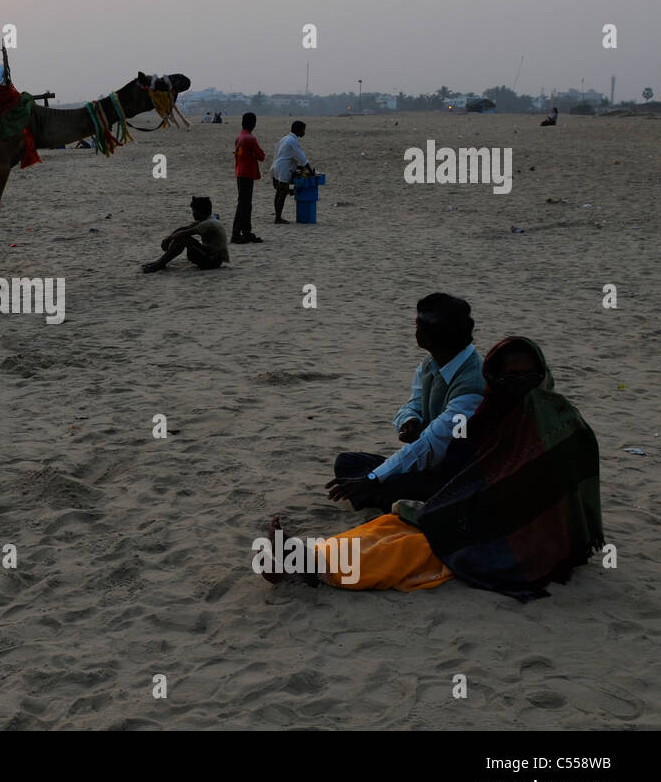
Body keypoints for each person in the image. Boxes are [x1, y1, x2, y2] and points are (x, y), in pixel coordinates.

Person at [262, 337, 602, 599]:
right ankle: (309, 553)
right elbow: (467, 469)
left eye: (529, 375)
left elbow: (567, 497)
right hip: (475, 509)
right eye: (510, 375)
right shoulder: (491, 413)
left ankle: (316, 568)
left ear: (543, 375)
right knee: (391, 523)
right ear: (495, 378)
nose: (520, 382)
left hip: (527, 536)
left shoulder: (564, 423)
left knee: (419, 548)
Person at [325, 293, 485, 512]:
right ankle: (384, 501)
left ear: (435, 335)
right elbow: (413, 404)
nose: (415, 330)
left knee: (389, 483)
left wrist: (373, 478)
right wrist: (410, 419)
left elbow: (431, 445)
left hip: (456, 476)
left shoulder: (472, 386)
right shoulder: (432, 364)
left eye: (418, 324)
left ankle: (391, 504)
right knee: (347, 463)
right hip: (429, 467)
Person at [142, 196, 229, 272]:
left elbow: (185, 232)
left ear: (199, 212)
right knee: (181, 237)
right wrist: (169, 237)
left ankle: (160, 264)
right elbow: (183, 228)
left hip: (213, 260)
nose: (193, 214)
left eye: (194, 211)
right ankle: (160, 262)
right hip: (210, 255)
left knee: (183, 239)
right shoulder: (207, 219)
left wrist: (168, 240)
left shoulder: (208, 224)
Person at [231, 112, 267, 244]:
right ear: (253, 123)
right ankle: (236, 233)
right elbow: (261, 156)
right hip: (247, 173)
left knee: (245, 204)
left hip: (240, 172)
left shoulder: (239, 137)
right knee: (244, 204)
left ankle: (245, 232)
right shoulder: (250, 138)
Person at [269, 120, 313, 224]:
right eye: (303, 130)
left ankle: (277, 216)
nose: (304, 132)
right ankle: (278, 218)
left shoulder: (284, 139)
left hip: (276, 167)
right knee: (282, 193)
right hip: (283, 169)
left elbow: (285, 156)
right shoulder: (293, 141)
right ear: (298, 130)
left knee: (279, 192)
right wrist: (311, 172)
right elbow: (303, 159)